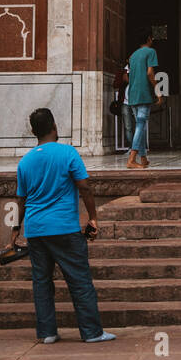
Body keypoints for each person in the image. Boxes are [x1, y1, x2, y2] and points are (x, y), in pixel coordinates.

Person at [12, 108, 115, 344]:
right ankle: (91, 332)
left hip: (36, 230)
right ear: (54, 127)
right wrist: (93, 217)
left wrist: (15, 230)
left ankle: (47, 333)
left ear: (32, 131)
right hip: (64, 228)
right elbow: (85, 187)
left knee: (41, 282)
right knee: (79, 281)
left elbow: (21, 200)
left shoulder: (25, 161)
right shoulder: (67, 153)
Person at [125, 28, 161, 169]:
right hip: (143, 94)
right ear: (149, 39)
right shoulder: (151, 52)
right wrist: (158, 91)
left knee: (140, 126)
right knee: (140, 126)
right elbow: (150, 73)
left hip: (133, 94)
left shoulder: (133, 56)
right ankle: (132, 159)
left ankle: (143, 158)